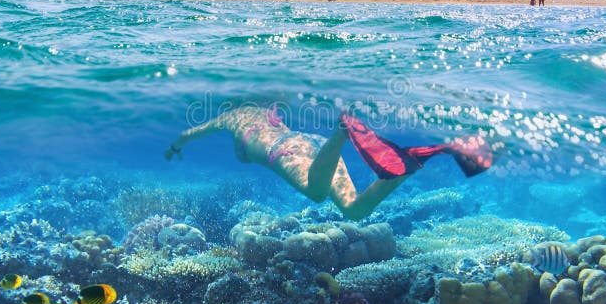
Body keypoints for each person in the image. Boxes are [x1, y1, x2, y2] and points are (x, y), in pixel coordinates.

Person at [165, 106, 492, 221]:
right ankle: (422, 157)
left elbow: (187, 133)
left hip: (285, 150)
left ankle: (342, 131)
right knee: (354, 211)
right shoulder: (265, 111)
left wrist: (173, 150)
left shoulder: (231, 117)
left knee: (316, 193)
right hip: (311, 144)